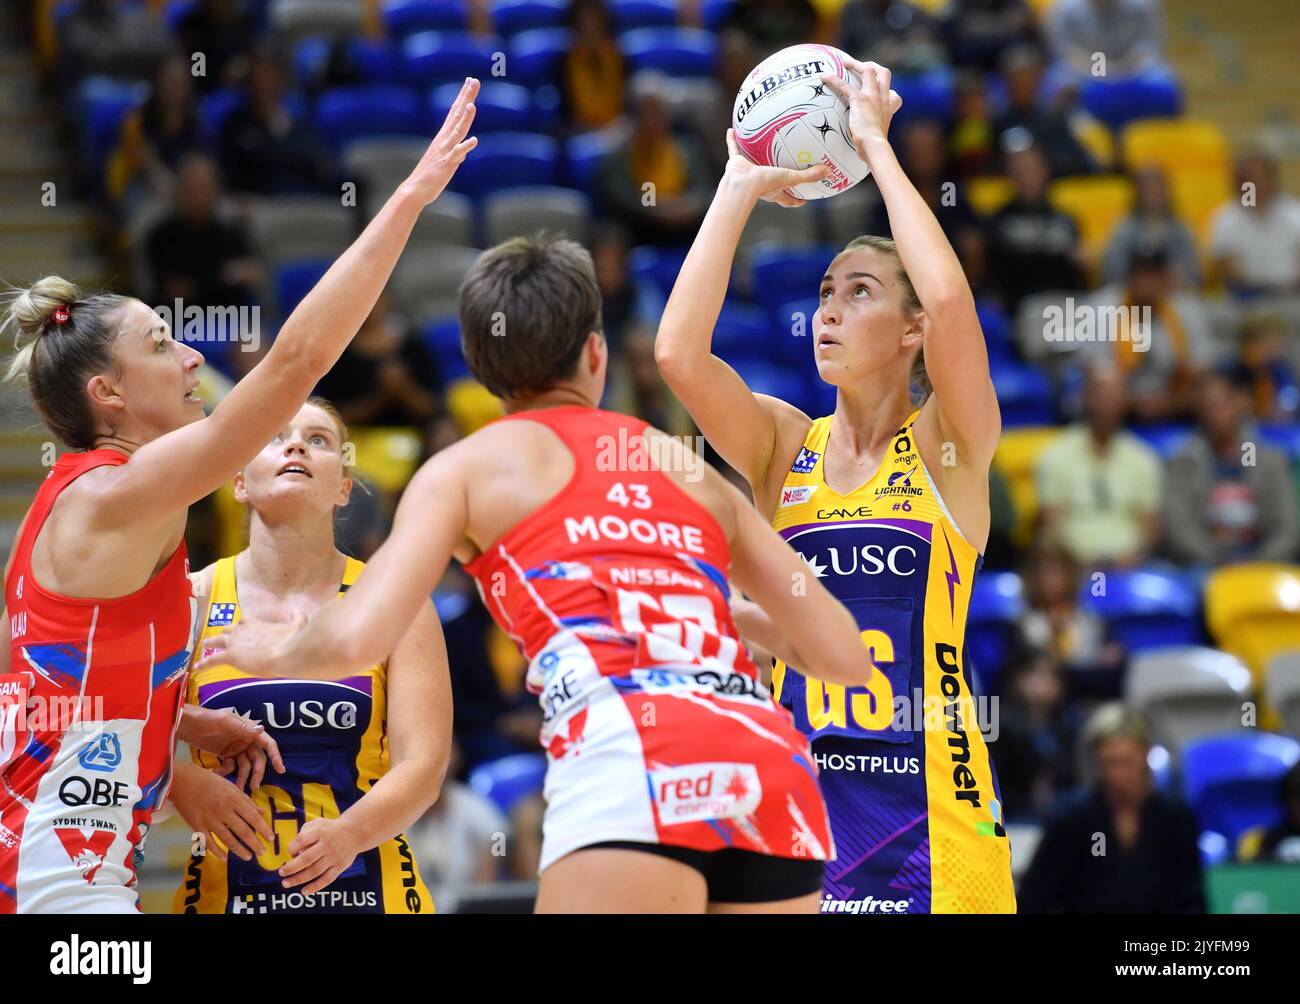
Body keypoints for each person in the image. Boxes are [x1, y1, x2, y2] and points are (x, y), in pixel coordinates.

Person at [199, 232, 876, 915]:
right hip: (767, 773)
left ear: (478, 366)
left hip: (632, 762)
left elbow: (358, 635)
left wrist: (277, 650)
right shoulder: (681, 463)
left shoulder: (469, 469)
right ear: (596, 353)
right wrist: (702, 614)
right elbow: (844, 656)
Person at [0, 78, 482, 914]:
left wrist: (173, 733)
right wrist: (408, 198)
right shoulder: (112, 497)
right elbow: (295, 362)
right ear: (109, 394)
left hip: (72, 874)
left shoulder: (93, 507)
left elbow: (43, 685)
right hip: (53, 888)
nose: (193, 360)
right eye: (162, 345)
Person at [655, 59, 1015, 913]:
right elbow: (677, 353)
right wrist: (739, 183)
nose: (827, 311)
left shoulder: (949, 450)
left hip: (936, 831)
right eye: (824, 293)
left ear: (910, 330)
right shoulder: (785, 445)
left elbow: (955, 306)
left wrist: (875, 148)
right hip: (805, 830)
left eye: (859, 294)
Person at [168, 399, 448, 914]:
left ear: (343, 488)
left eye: (318, 440)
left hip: (372, 891)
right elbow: (116, 724)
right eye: (275, 436)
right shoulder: (191, 598)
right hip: (224, 893)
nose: (297, 444)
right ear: (239, 483)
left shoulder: (394, 598)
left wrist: (351, 833)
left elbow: (425, 766)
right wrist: (179, 778)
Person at [1018, 703, 1206, 913]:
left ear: (1145, 755)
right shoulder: (1071, 819)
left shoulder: (1175, 817)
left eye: (1126, 762)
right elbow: (1035, 898)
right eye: (1109, 763)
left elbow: (1192, 899)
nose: (1118, 775)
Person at [1163, 364, 1300, 566]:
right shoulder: (1184, 461)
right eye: (1207, 407)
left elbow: (1288, 526)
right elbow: (1179, 527)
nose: (1214, 414)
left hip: (1264, 564)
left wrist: (1260, 561)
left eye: (1220, 405)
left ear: (1239, 404)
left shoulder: (1266, 459)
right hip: (1205, 565)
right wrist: (1218, 560)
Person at [1036, 361, 1163, 568]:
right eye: (1100, 394)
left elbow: (1150, 530)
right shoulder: (1055, 456)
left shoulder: (1144, 458)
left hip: (1130, 566)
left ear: (1126, 401)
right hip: (1073, 568)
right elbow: (1051, 529)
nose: (1107, 403)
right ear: (1085, 397)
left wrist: (1128, 561)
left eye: (1114, 395)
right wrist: (1078, 563)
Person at [1209, 150, 1300, 298]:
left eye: (1259, 176)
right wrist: (1264, 291)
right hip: (1246, 298)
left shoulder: (1294, 212)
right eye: (1248, 178)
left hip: (1292, 294)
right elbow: (1228, 268)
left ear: (1272, 177)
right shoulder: (1226, 218)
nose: (1254, 183)